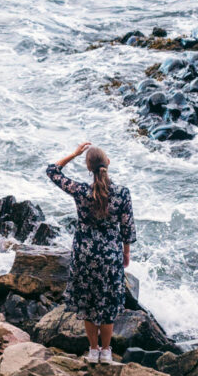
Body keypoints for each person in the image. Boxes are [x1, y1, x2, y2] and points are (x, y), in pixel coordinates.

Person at [46, 142, 136, 363]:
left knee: (88, 302)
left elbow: (52, 171)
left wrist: (74, 154)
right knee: (107, 301)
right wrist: (126, 253)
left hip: (85, 253)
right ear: (108, 164)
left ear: (88, 168)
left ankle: (92, 350)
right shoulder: (122, 193)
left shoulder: (81, 191)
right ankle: (106, 352)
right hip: (110, 253)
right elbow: (127, 227)